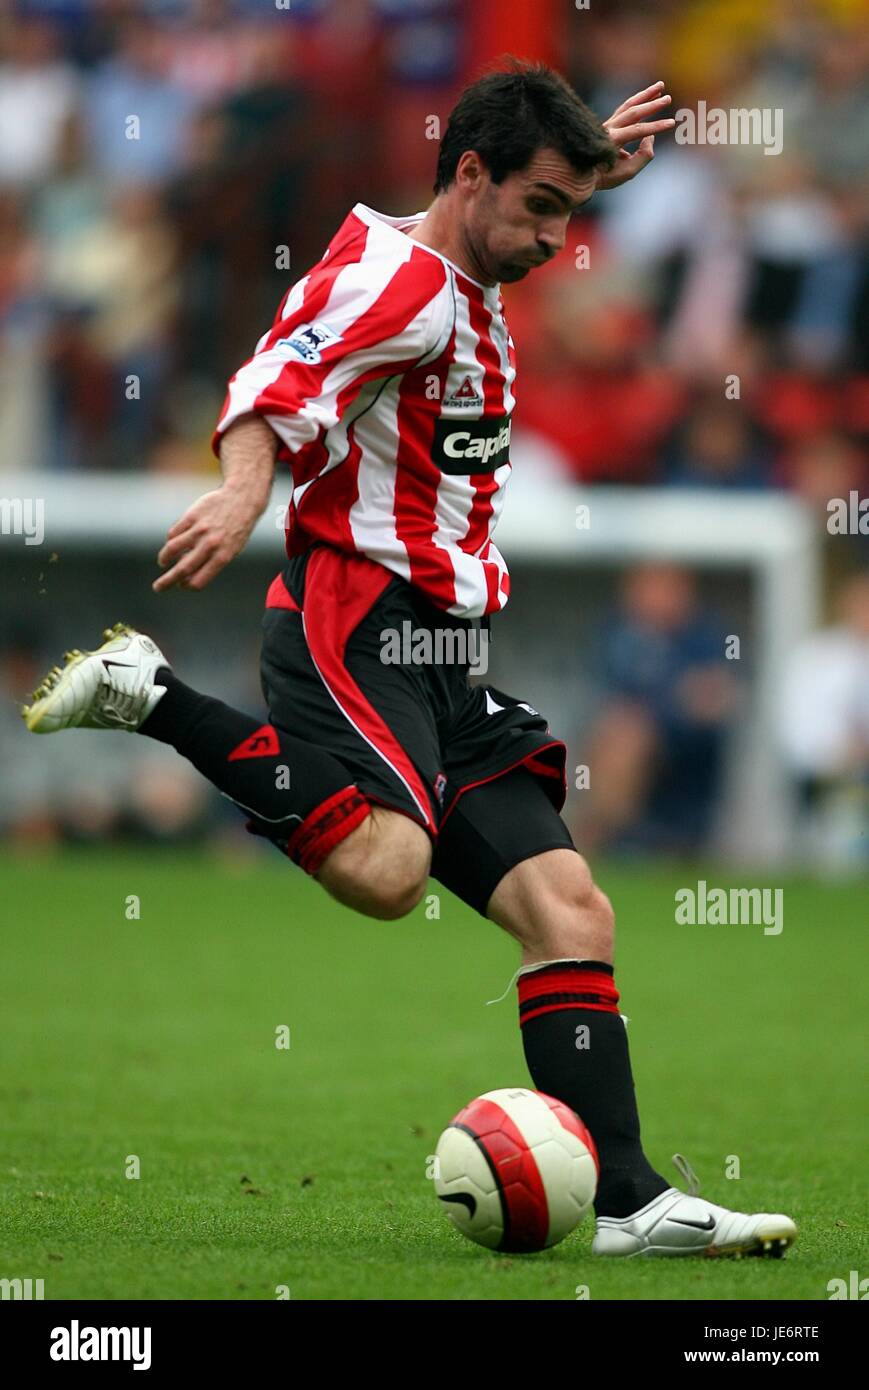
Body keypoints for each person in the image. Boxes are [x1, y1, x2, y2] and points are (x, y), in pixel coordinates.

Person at [23, 61, 795, 1258]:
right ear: (469, 173)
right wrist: (240, 494)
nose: (555, 238)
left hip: (444, 643)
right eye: (540, 205)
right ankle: (153, 693)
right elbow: (271, 384)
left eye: (571, 214)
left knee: (569, 908)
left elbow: (373, 300)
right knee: (387, 873)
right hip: (354, 618)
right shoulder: (409, 288)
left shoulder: (445, 257)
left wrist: (579, 165)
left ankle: (632, 1202)